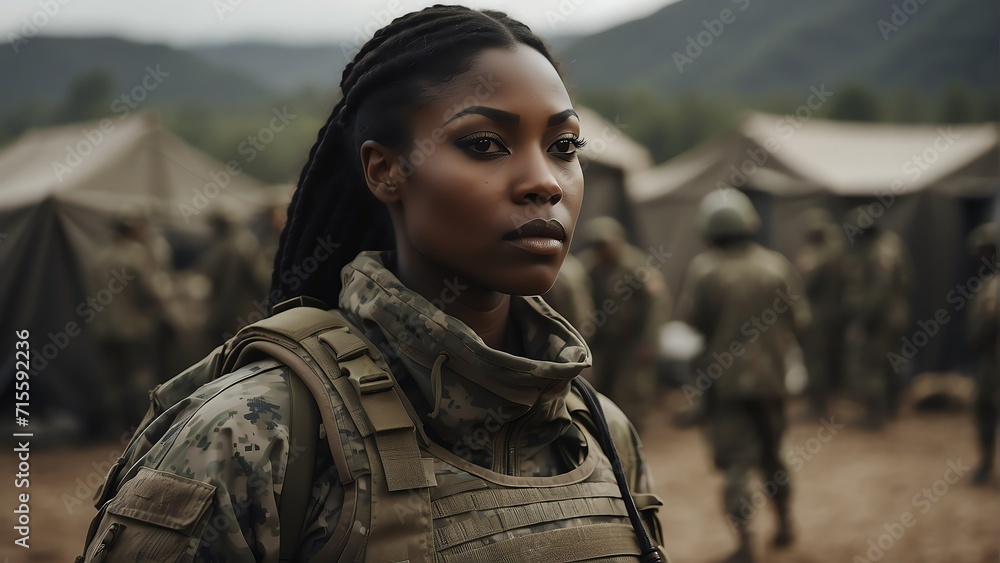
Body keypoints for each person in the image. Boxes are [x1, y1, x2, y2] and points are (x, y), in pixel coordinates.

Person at [80, 7, 665, 562]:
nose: (545, 182)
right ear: (386, 170)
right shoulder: (254, 434)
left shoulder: (601, 432)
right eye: (485, 144)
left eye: (564, 147)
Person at [677, 189, 810, 563]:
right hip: (772, 381)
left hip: (726, 384)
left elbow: (694, 322)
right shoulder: (777, 266)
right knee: (773, 456)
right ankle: (784, 523)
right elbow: (802, 322)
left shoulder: (706, 269)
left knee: (736, 463)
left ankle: (746, 543)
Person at [577, 216, 671, 435]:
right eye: (597, 245)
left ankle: (632, 432)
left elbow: (656, 304)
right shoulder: (588, 267)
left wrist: (650, 340)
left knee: (633, 389)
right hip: (602, 339)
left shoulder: (636, 265)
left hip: (632, 337)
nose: (601, 250)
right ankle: (602, 431)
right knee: (600, 386)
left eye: (605, 244)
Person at [91, 214, 169, 433]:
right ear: (133, 230)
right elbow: (152, 292)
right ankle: (142, 428)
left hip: (104, 329)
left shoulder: (99, 256)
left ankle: (113, 428)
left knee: (111, 382)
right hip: (134, 329)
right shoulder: (136, 254)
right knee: (141, 377)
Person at [841, 207, 913, 429]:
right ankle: (890, 409)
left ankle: (876, 415)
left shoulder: (880, 252)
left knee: (873, 365)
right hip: (894, 315)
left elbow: (879, 291)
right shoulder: (892, 244)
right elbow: (909, 281)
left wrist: (863, 318)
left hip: (882, 319)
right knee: (891, 363)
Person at [794, 208, 847, 417]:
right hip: (834, 312)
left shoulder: (819, 256)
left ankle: (817, 408)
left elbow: (806, 283)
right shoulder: (838, 252)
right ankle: (823, 403)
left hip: (818, 315)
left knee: (815, 361)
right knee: (826, 360)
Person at [197, 210, 268, 343]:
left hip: (238, 315)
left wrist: (216, 319)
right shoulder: (236, 244)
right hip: (240, 315)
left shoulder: (234, 247)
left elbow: (229, 289)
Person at [967, 222, 998, 484]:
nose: (981, 257)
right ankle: (986, 463)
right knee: (983, 407)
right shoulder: (989, 284)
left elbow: (989, 323)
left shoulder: (995, 287)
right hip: (989, 359)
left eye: (986, 251)